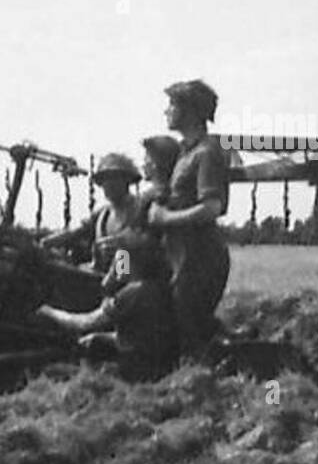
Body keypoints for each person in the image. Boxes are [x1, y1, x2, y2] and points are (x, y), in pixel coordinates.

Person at [145, 79, 231, 358]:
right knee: (179, 326)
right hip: (181, 254)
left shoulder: (207, 153)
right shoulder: (185, 152)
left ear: (192, 112)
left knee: (191, 332)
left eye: (173, 105)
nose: (166, 111)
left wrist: (165, 218)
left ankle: (207, 384)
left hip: (201, 256)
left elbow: (211, 208)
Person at [34, 231, 177, 380]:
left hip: (133, 369)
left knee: (51, 371)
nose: (118, 262)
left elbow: (84, 323)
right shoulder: (161, 289)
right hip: (158, 365)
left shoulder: (131, 294)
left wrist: (48, 312)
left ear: (131, 260)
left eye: (121, 258)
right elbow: (139, 337)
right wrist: (101, 337)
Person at [42, 152, 145, 274]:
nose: (108, 184)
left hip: (131, 276)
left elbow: (142, 247)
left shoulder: (140, 209)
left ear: (127, 180)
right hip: (101, 274)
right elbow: (75, 232)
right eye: (104, 180)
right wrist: (45, 242)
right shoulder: (103, 214)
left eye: (114, 178)